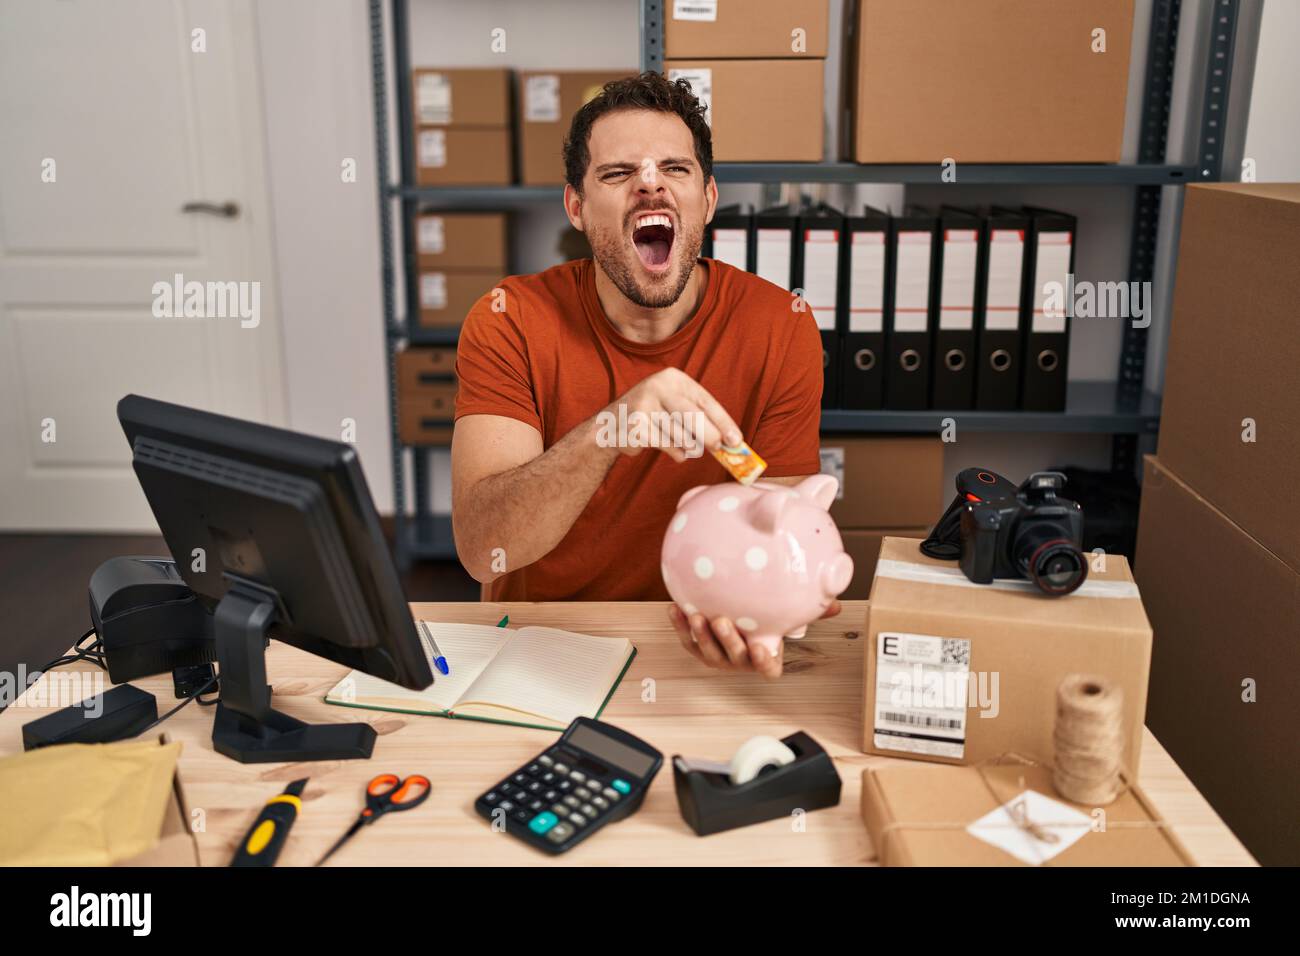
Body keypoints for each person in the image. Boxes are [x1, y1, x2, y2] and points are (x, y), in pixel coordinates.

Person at [451, 72, 837, 679]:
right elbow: (482, 549)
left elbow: (781, 527)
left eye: (674, 169)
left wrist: (765, 610)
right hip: (541, 650)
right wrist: (613, 428)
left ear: (707, 200)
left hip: (695, 646)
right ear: (576, 206)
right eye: (617, 173)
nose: (650, 183)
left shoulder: (780, 325)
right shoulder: (510, 320)